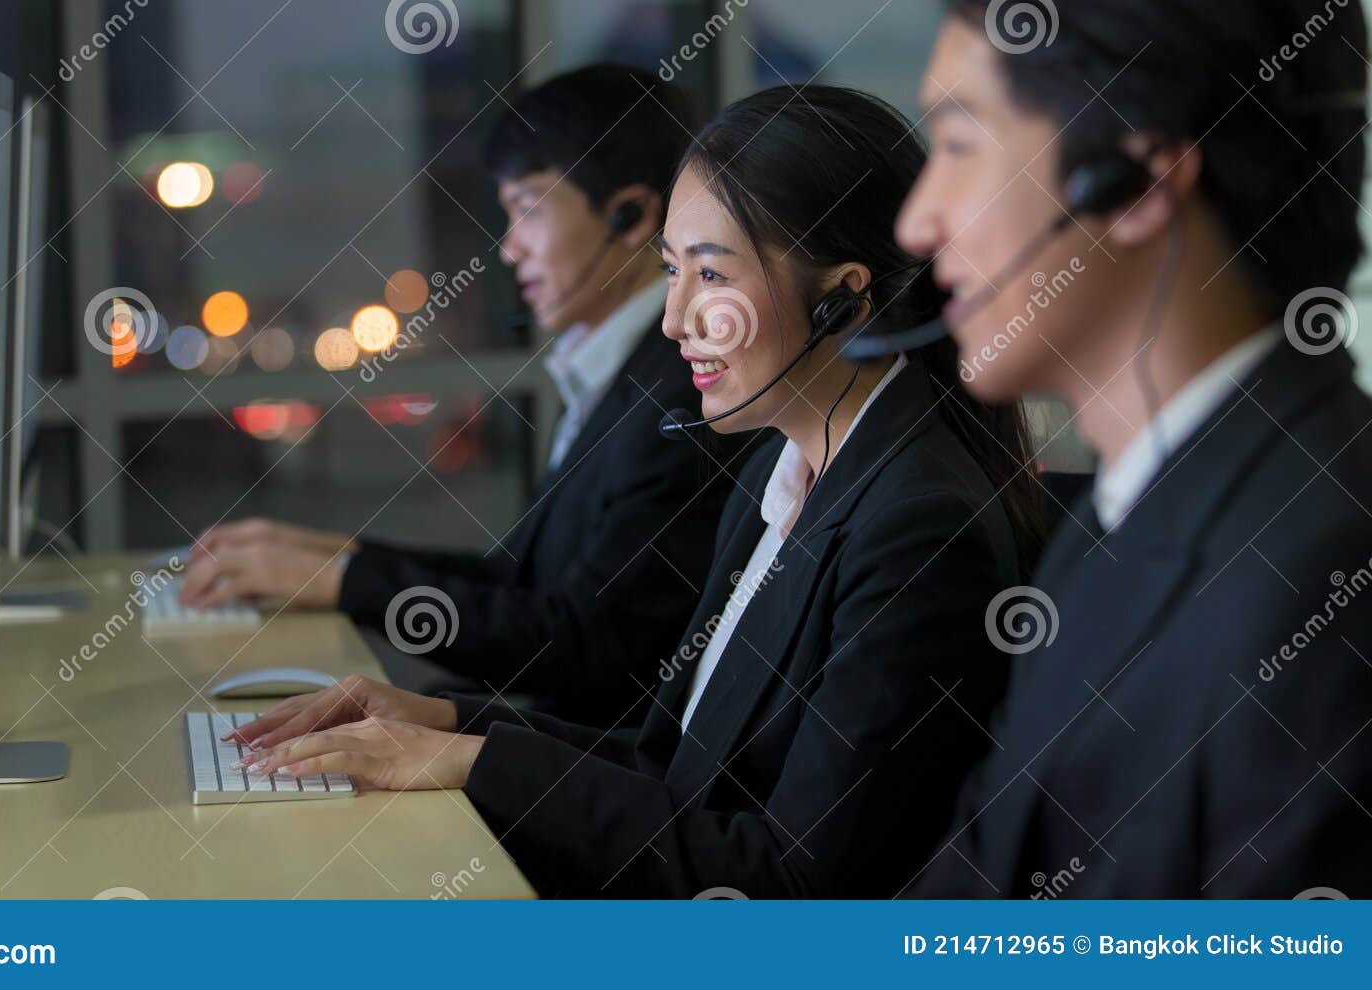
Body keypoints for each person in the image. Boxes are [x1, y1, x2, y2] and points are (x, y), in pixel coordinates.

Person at [225, 86, 1048, 898]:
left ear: (844, 298)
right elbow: (670, 761)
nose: (672, 319)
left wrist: (470, 761)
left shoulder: (918, 526)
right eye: (669, 272)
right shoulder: (779, 469)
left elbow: (789, 883)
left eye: (711, 277)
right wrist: (439, 722)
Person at [897, 0, 1372, 897]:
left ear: (1130, 184)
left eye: (959, 146)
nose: (917, 223)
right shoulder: (1137, 502)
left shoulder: (1327, 586)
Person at [180, 65, 760, 727]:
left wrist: (344, 583)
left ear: (631, 217)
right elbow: (520, 581)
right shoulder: (619, 373)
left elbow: (589, 644)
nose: (509, 248)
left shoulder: (685, 395)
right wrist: (333, 560)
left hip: (601, 776)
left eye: (529, 210)